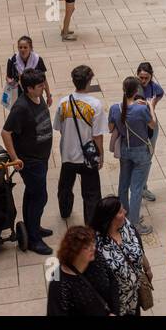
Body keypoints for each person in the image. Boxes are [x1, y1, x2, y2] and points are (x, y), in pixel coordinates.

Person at [2, 68, 54, 255]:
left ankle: (34, 227)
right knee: (40, 196)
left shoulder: (37, 98)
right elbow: (5, 132)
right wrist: (15, 158)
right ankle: (33, 239)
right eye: (40, 86)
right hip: (30, 161)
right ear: (29, 89)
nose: (44, 87)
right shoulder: (21, 107)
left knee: (33, 195)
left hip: (41, 157)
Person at [54, 65, 104, 226]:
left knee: (65, 187)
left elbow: (59, 128)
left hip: (67, 155)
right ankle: (91, 224)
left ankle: (65, 210)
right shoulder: (95, 105)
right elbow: (97, 135)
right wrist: (100, 154)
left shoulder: (63, 103)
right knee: (91, 193)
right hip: (87, 157)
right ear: (89, 81)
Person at [109, 76, 156, 235]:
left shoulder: (115, 108)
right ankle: (135, 224)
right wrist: (150, 106)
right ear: (136, 91)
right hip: (140, 150)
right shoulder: (141, 109)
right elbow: (152, 124)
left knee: (123, 184)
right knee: (136, 188)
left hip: (124, 149)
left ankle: (124, 217)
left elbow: (110, 128)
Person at [91, 195, 151, 316]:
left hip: (134, 296)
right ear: (110, 218)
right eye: (120, 211)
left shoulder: (126, 226)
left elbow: (138, 247)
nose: (125, 212)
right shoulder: (97, 244)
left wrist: (147, 268)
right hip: (115, 303)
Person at [46, 226, 112, 317]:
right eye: (86, 247)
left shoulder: (95, 258)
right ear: (74, 251)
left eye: (92, 243)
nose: (93, 248)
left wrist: (114, 311)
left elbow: (113, 281)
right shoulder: (57, 281)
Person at [134, 62, 165, 202]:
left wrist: (152, 105)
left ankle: (143, 188)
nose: (143, 81)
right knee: (137, 159)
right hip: (137, 127)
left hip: (151, 125)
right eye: (141, 77)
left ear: (151, 76)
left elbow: (160, 93)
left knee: (148, 157)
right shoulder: (133, 87)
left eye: (146, 78)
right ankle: (136, 187)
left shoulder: (154, 87)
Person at [4, 35, 48, 113]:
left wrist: (48, 95)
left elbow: (44, 80)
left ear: (30, 48)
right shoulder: (12, 60)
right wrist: (11, 82)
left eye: (25, 47)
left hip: (35, 93)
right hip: (18, 94)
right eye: (20, 47)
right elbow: (8, 77)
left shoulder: (38, 60)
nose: (22, 50)